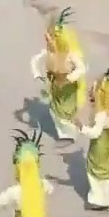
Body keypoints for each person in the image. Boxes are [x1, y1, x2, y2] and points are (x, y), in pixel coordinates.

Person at [30, 8, 87, 141]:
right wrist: (37, 74)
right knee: (56, 112)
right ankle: (64, 135)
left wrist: (68, 78)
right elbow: (36, 60)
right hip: (55, 87)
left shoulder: (70, 55)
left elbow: (81, 68)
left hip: (68, 90)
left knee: (66, 113)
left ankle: (70, 135)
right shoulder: (50, 54)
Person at [79, 57, 109, 211]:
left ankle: (100, 200)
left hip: (99, 146)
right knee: (104, 173)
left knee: (95, 173)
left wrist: (81, 127)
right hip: (107, 145)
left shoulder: (101, 114)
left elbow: (94, 133)